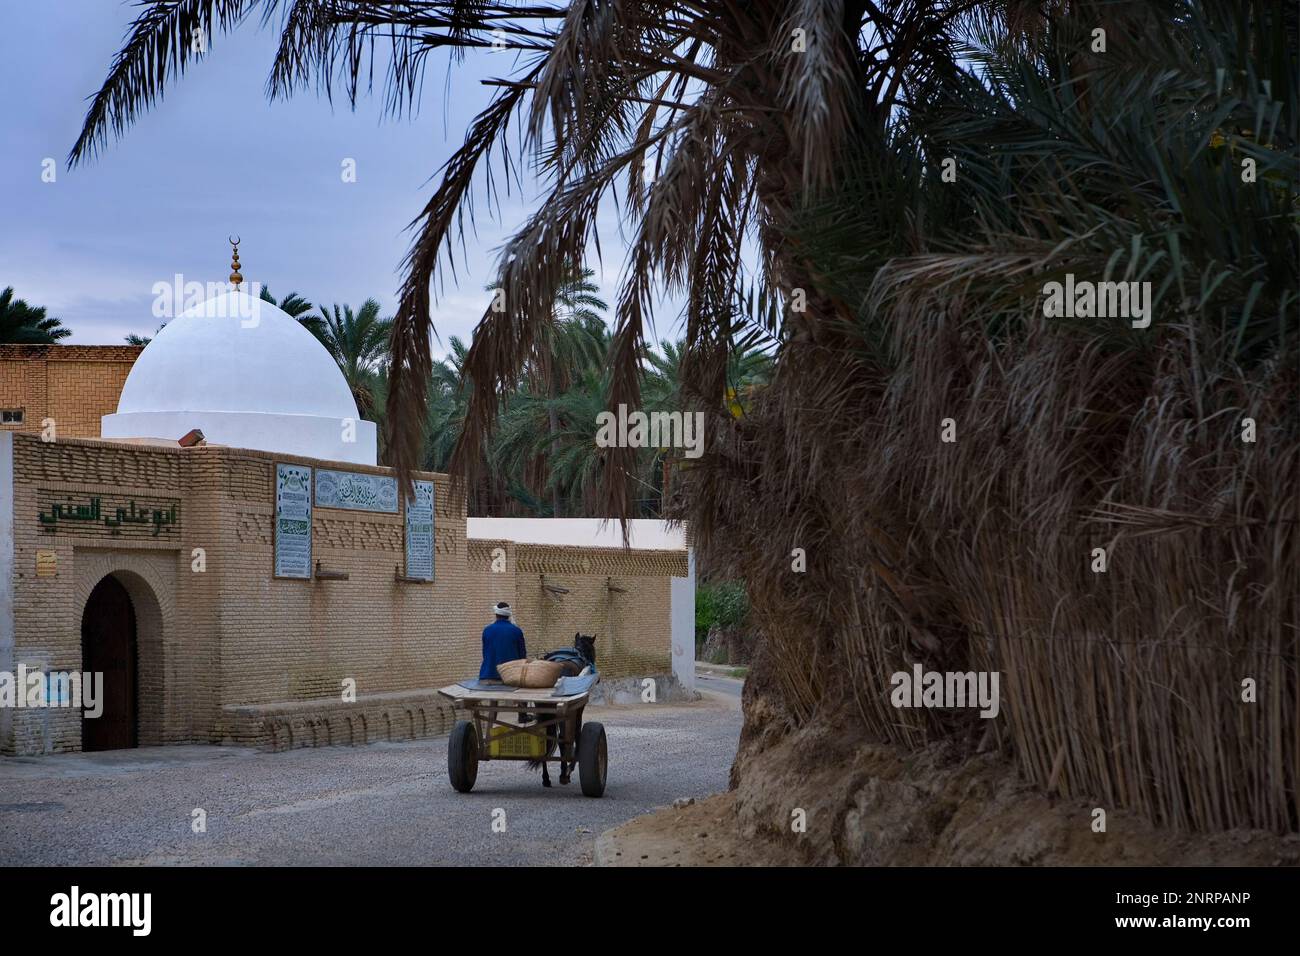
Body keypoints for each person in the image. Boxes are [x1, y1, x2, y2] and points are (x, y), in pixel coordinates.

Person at [479, 602, 526, 681]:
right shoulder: (516, 631)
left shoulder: (487, 630)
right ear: (508, 616)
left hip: (488, 674)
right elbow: (522, 655)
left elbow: (485, 653)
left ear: (496, 615)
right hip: (510, 675)